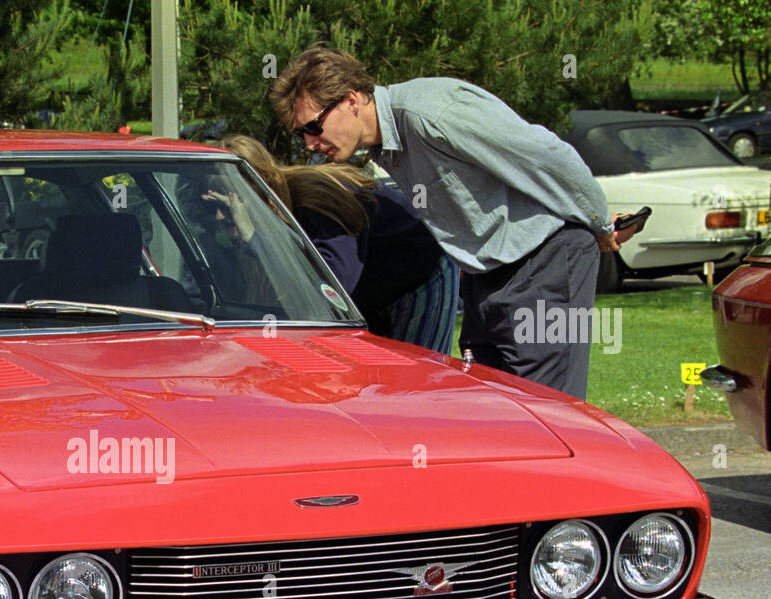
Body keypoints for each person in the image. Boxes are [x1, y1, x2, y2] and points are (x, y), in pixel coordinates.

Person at [269, 45, 641, 399]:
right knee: (492, 408)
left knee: (549, 413)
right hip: (488, 278)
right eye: (301, 134)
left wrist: (600, 227)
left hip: (546, 262)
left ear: (351, 99)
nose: (310, 144)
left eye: (313, 127)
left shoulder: (433, 113)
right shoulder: (387, 143)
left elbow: (551, 156)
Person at [221, 134, 458, 354]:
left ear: (256, 191)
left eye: (228, 206)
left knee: (413, 381)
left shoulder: (315, 201)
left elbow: (333, 291)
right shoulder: (273, 215)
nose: (222, 218)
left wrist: (253, 237)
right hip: (373, 287)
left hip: (420, 269)